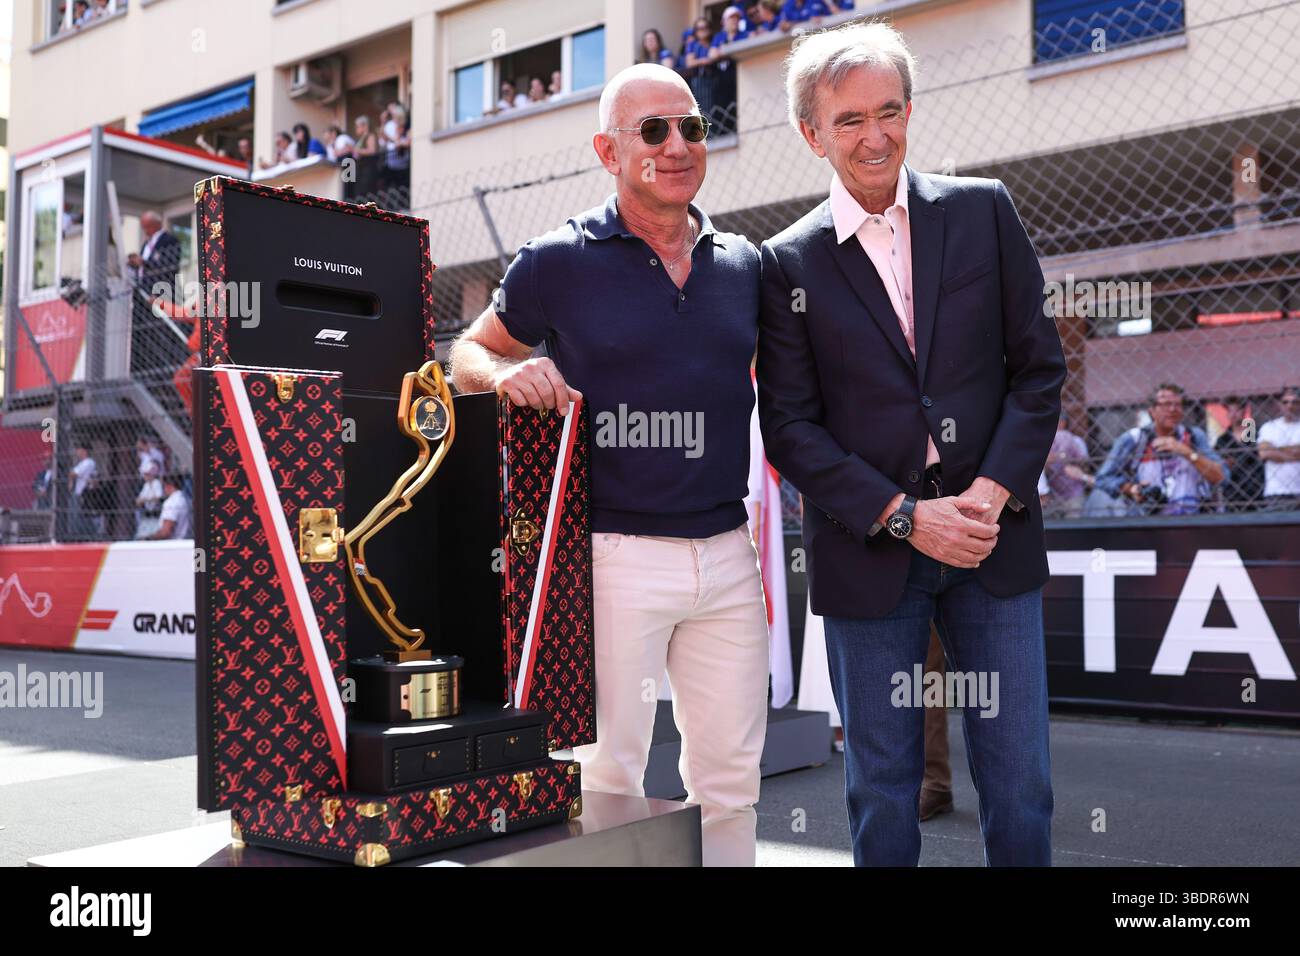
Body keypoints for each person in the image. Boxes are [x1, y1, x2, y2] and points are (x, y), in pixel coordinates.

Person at [757, 22, 1065, 866]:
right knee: (881, 792)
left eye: (889, 111)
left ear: (910, 111)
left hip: (990, 541)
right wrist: (903, 516)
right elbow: (789, 426)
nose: (876, 135)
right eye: (850, 119)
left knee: (1019, 783)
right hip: (873, 552)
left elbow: (1039, 371)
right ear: (811, 133)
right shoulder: (786, 265)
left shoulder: (982, 212)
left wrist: (989, 497)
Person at [450, 63, 768, 867]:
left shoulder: (745, 265)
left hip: (730, 556)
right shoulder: (560, 258)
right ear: (608, 150)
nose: (676, 145)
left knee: (731, 781)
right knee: (607, 775)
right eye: (652, 130)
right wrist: (504, 374)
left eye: (691, 127)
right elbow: (468, 352)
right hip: (611, 557)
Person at [1094, 383, 1227, 516]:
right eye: (1165, 404)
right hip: (1148, 520)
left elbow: (1222, 477)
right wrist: (1132, 489)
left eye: (1178, 404)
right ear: (1152, 410)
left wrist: (1187, 452)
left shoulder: (1194, 436)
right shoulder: (1135, 439)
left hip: (1191, 518)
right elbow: (1103, 478)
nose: (1172, 409)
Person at [1215, 397, 1265, 510]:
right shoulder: (1223, 439)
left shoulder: (1253, 432)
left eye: (1237, 410)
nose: (1233, 414)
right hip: (1232, 492)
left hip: (1256, 489)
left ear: (1244, 411)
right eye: (1230, 411)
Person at [1258, 385, 1300, 510]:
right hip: (1276, 491)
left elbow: (1271, 452)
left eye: (1295, 402)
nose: (1290, 406)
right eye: (1285, 402)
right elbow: (1265, 454)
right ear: (1279, 405)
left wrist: (1277, 450)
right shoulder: (1269, 427)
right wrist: (1294, 452)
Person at [1042, 413, 1090, 517]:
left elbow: (1085, 463)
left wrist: (1068, 460)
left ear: (1064, 423)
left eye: (1059, 421)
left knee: (1075, 521)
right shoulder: (1046, 441)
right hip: (1053, 492)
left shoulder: (1075, 440)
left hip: (1073, 492)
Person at [149, 473, 192, 540]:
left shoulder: (171, 502)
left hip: (173, 544)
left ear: (168, 486)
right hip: (187, 541)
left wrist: (147, 539)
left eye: (164, 486)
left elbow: (166, 532)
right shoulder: (187, 500)